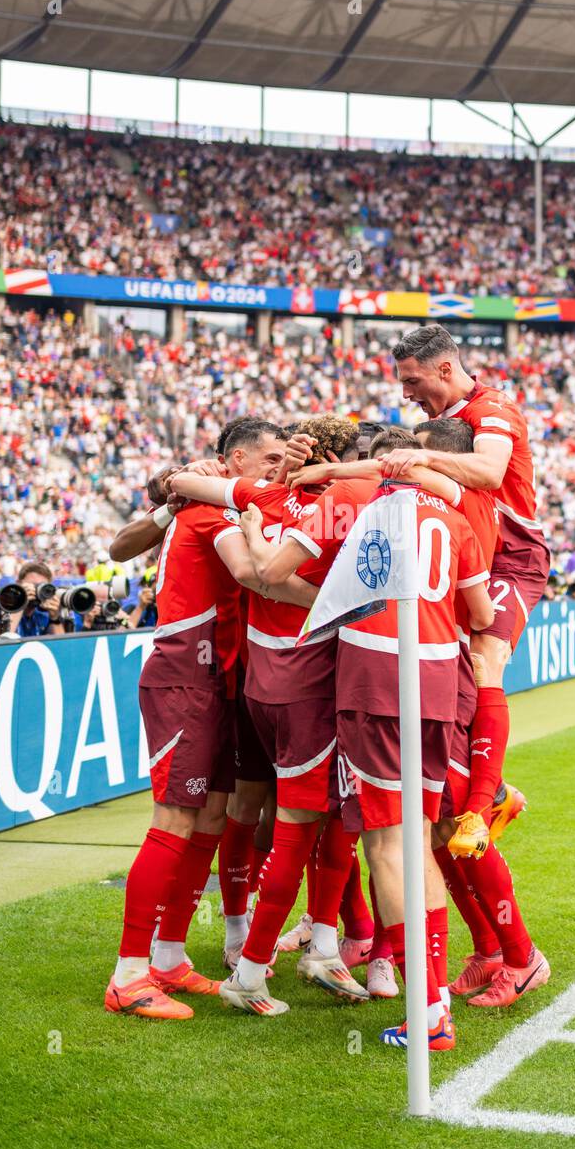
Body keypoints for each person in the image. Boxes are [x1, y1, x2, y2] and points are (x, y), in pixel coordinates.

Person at [243, 427, 500, 1051]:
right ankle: (430, 995)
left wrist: (286, 501)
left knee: (389, 847)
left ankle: (428, 1008)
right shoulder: (453, 513)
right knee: (416, 838)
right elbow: (485, 616)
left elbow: (267, 573)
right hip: (440, 679)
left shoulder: (352, 505)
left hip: (377, 681)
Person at [105, 421, 317, 1020]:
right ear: (235, 459)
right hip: (183, 680)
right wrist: (352, 601)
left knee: (213, 817)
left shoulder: (217, 503)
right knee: (174, 817)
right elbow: (254, 575)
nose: (279, 469)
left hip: (218, 684)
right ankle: (129, 974)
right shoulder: (211, 510)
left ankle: (169, 956)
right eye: (270, 458)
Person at [170, 415, 371, 1014]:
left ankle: (324, 945)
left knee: (328, 817)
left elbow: (184, 482)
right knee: (303, 828)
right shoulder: (354, 506)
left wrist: (189, 476)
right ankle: (252, 969)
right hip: (309, 692)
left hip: (260, 686)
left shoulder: (263, 496)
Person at [380, 324, 551, 856]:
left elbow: (489, 469)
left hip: (511, 558)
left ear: (446, 369)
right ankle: (494, 791)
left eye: (412, 380)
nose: (405, 393)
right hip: (461, 554)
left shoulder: (491, 408)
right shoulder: (434, 421)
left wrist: (425, 459)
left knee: (483, 661)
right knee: (450, 672)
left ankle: (481, 811)